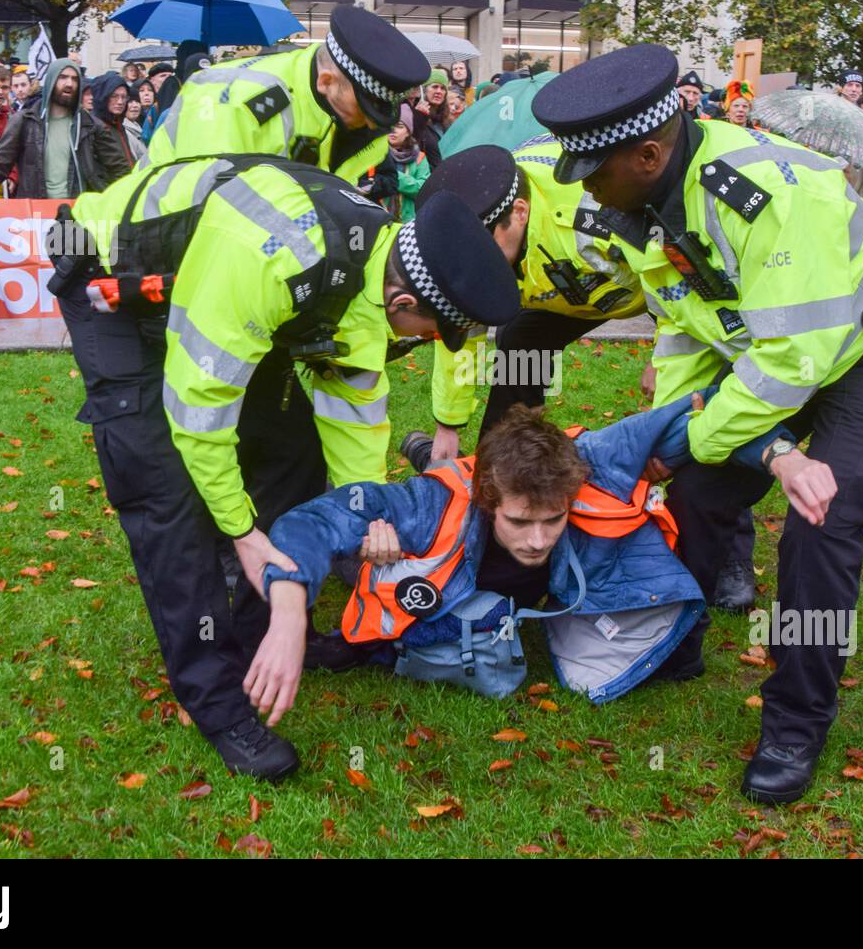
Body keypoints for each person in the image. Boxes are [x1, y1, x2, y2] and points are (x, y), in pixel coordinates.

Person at [531, 43, 863, 803]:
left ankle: (795, 722)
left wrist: (706, 435)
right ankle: (675, 640)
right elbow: (689, 326)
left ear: (649, 152)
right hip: (776, 346)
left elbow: (792, 365)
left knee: (825, 514)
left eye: (593, 170)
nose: (586, 189)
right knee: (695, 493)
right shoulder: (647, 201)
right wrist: (675, 430)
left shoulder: (761, 194)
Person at [60, 156, 520, 778]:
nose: (430, 346)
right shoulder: (277, 257)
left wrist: (367, 520)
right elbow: (199, 410)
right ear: (404, 298)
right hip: (115, 283)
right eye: (434, 333)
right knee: (170, 498)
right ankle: (218, 703)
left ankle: (268, 625)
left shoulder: (367, 275)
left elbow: (355, 422)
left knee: (292, 457)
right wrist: (244, 535)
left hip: (220, 297)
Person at [264, 399, 718, 711]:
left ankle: (425, 449)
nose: (539, 540)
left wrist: (779, 455)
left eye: (552, 520)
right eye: (519, 522)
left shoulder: (584, 466)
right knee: (359, 548)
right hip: (396, 548)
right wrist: (289, 619)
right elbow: (308, 525)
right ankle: (428, 459)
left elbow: (706, 414)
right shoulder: (425, 508)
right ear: (487, 500)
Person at [414, 142, 647, 456]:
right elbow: (461, 330)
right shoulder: (485, 221)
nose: (474, 263)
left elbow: (671, 268)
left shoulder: (597, 208)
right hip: (568, 293)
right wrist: (447, 426)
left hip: (648, 285)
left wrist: (667, 346)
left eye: (483, 248)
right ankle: (510, 452)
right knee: (520, 339)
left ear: (520, 212)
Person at [140, 10, 429, 191]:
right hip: (159, 243)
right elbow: (211, 206)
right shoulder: (236, 100)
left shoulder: (363, 126)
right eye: (364, 108)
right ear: (326, 81)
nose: (370, 122)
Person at [0, 58, 129, 203]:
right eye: (62, 77)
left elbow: (119, 169)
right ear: (51, 81)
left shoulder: (91, 126)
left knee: (73, 244)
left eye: (74, 79)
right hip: (35, 216)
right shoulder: (24, 121)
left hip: (78, 214)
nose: (69, 83)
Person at [91, 73, 144, 165]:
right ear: (104, 97)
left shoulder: (118, 124)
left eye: (124, 97)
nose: (120, 102)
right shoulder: (95, 127)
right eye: (114, 96)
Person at [386, 119, 429, 222]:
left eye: (399, 126)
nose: (393, 130)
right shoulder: (375, 154)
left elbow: (423, 190)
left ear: (408, 132)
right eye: (390, 125)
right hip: (379, 219)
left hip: (408, 223)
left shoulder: (420, 157)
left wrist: (395, 175)